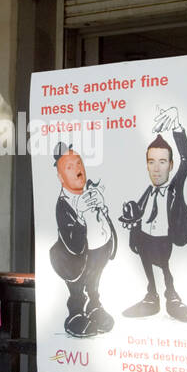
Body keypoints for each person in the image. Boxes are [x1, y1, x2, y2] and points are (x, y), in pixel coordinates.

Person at [119, 106, 187, 323]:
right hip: (147, 240)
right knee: (146, 260)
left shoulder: (175, 187)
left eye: (162, 162)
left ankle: (173, 298)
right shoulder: (146, 193)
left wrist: (177, 127)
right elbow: (136, 215)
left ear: (171, 165)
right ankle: (151, 296)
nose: (156, 169)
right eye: (151, 162)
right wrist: (131, 221)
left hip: (169, 239)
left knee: (167, 268)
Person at [49, 141, 116, 337]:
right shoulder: (63, 205)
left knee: (94, 281)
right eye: (70, 167)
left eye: (79, 163)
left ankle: (94, 307)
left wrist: (102, 207)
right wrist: (79, 214)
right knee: (78, 288)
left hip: (99, 251)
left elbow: (105, 220)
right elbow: (72, 242)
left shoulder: (92, 191)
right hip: (74, 259)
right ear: (61, 177)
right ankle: (76, 314)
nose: (77, 169)